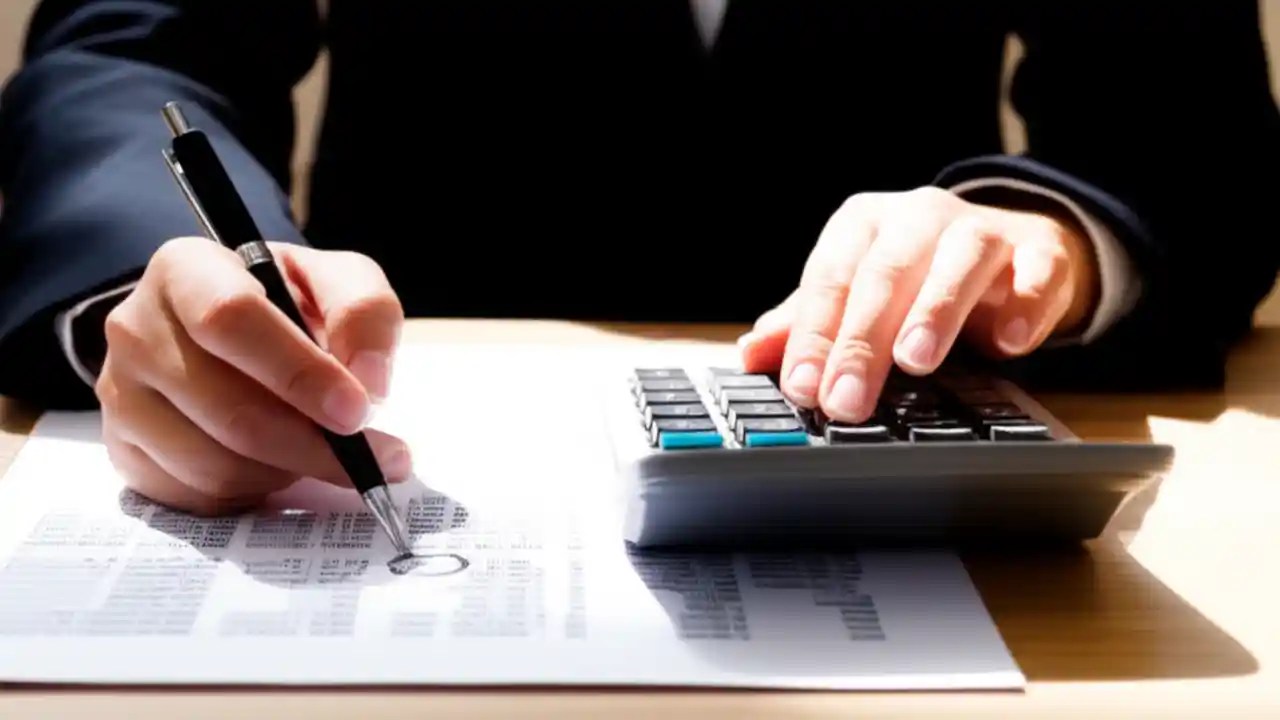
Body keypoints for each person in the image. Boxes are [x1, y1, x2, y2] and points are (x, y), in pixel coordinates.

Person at [1, 1, 1277, 514]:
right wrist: (160, 273)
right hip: (396, 407)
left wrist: (1053, 237)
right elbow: (131, 47)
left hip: (907, 420)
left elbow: (1184, 124)